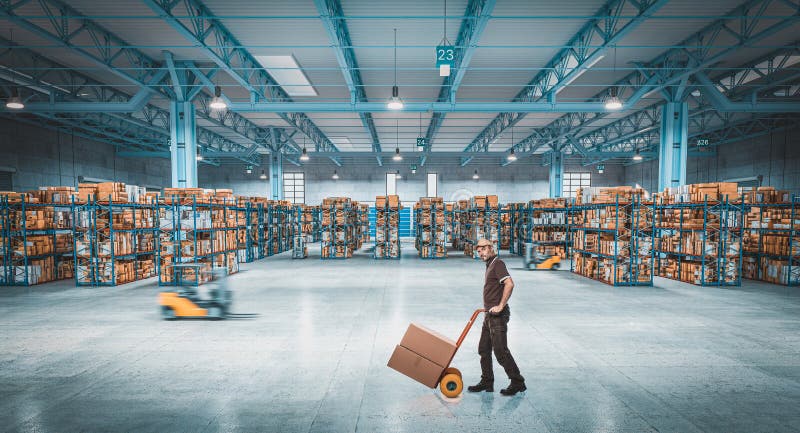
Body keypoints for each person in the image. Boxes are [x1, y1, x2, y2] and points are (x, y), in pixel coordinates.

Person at [468, 238, 526, 396]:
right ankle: (487, 381)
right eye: (478, 251)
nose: (480, 253)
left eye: (483, 250)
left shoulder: (498, 263)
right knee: (483, 349)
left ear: (490, 248)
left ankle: (517, 382)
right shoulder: (490, 265)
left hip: (498, 316)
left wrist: (500, 306)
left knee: (500, 351)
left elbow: (509, 283)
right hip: (489, 315)